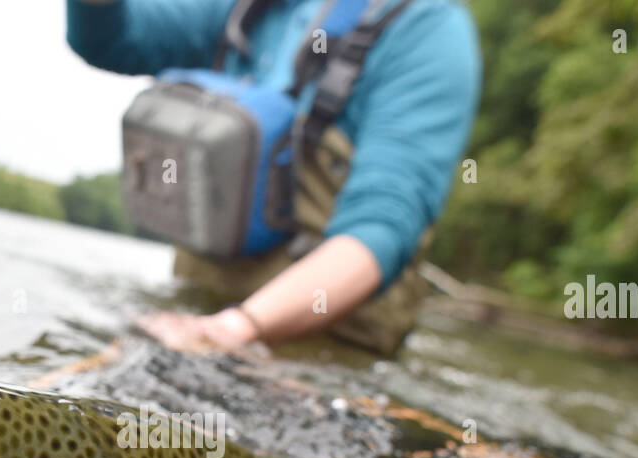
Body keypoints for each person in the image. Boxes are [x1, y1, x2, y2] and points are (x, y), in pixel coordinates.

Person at [67, 0, 480, 355]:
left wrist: (238, 328)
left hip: (324, 344)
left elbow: (381, 229)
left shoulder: (429, 31)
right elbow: (112, 41)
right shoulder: (241, 9)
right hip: (194, 307)